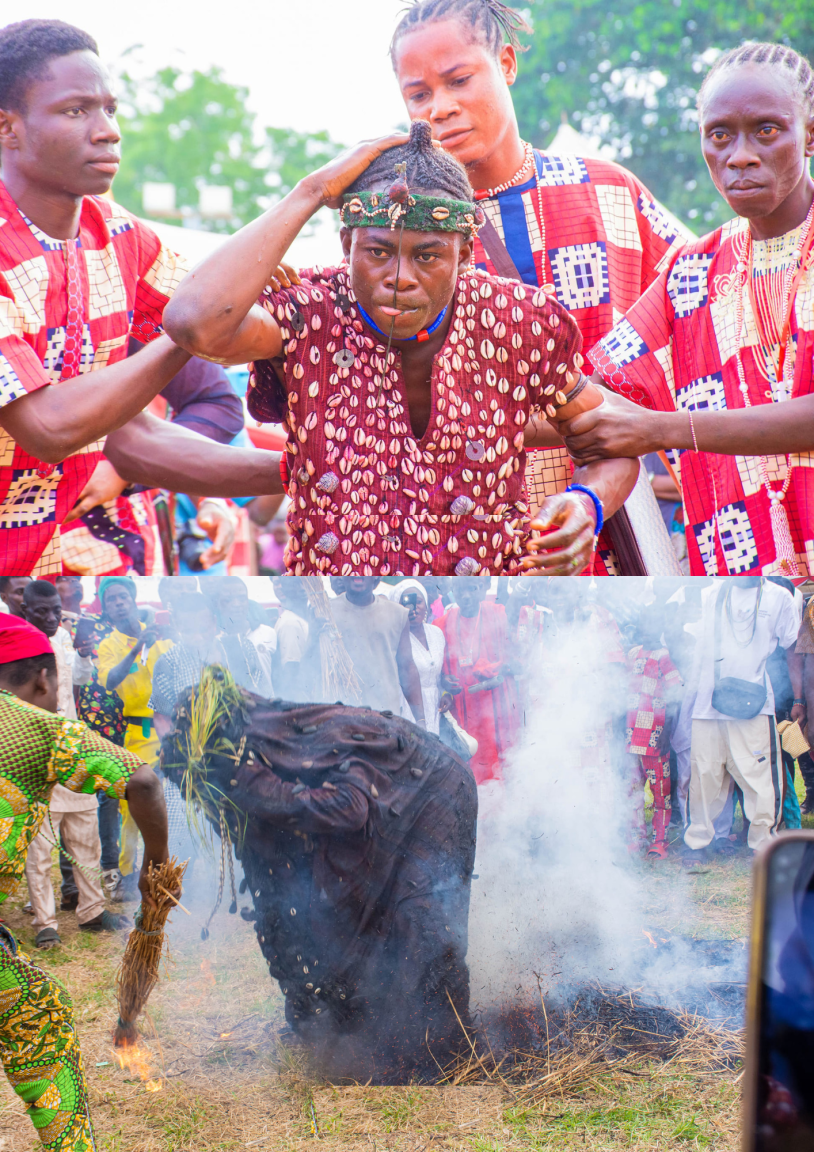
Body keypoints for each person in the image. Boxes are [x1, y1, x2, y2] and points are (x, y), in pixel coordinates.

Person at [163, 120, 640, 578]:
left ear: (466, 253)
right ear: (346, 243)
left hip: (486, 636)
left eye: (428, 256)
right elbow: (194, 323)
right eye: (377, 252)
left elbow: (612, 445)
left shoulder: (519, 322)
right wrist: (312, 191)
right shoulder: (307, 316)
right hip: (340, 637)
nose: (399, 278)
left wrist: (587, 503)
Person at [388, 0, 690, 551]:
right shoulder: (407, 234)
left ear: (506, 63)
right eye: (419, 94)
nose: (441, 108)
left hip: (618, 513)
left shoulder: (607, 191)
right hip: (463, 530)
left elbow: (700, 320)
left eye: (459, 80)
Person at [0, 20, 289, 577]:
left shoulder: (120, 235)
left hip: (56, 583)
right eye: (75, 110)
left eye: (110, 109)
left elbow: (136, 436)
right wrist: (309, 192)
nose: (107, 131)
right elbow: (49, 428)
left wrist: (311, 468)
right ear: (7, 127)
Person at [557, 44, 814, 578]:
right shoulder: (691, 272)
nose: (740, 155)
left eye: (766, 130)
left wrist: (661, 429)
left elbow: (644, 426)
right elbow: (595, 392)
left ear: (809, 133)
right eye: (720, 135)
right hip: (744, 608)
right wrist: (464, 416)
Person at [162, 667, 477, 1083]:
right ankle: (375, 1023)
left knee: (422, 916)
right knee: (366, 912)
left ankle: (446, 1043)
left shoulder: (311, 733)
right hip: (395, 805)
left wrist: (246, 782)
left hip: (437, 790)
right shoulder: (263, 747)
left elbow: (348, 808)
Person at [0, 612, 172, 1150]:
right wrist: (156, 868)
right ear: (44, 681)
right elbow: (141, 781)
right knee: (40, 1018)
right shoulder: (37, 726)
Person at [19, 581, 124, 947]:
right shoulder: (14, 641)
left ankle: (92, 911)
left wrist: (81, 653)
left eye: (54, 611)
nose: (50, 618)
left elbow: (80, 680)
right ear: (24, 608)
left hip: (71, 746)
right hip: (35, 753)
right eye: (41, 612)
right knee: (40, 845)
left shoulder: (63, 636)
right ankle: (46, 923)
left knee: (86, 835)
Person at [684, 576, 802, 857]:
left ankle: (763, 845)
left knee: (761, 778)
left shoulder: (778, 596)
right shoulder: (710, 592)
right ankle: (698, 844)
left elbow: (792, 647)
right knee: (703, 774)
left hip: (755, 704)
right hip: (707, 702)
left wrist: (798, 698)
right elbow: (693, 645)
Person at [96, 576, 172, 893]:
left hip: (170, 730)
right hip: (138, 734)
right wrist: (137, 647)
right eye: (111, 598)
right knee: (133, 804)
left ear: (134, 599)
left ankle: (171, 867)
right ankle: (128, 874)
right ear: (105, 608)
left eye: (123, 596)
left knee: (174, 800)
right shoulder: (109, 645)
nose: (119, 602)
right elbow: (111, 680)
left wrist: (154, 640)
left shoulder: (162, 639)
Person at [437, 578, 519, 784]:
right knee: (470, 765)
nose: (466, 596)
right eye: (459, 590)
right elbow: (435, 671)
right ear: (452, 590)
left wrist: (494, 668)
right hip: (463, 709)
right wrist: (444, 682)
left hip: (496, 706)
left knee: (501, 762)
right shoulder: (441, 623)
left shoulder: (498, 614)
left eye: (472, 589)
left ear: (483, 589)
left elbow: (516, 656)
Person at [625, 607, 683, 859]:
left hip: (654, 735)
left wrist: (666, 732)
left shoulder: (664, 656)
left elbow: (676, 695)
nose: (647, 628)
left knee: (660, 791)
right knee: (633, 789)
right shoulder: (633, 653)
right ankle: (637, 836)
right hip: (631, 733)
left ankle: (660, 841)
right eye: (643, 622)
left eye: (653, 623)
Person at [328, 576, 426, 723]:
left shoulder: (398, 614)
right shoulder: (326, 611)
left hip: (385, 717)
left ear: (376, 576)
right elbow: (310, 665)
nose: (357, 574)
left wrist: (421, 720)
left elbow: (406, 668)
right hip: (340, 717)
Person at [388, 579, 455, 734]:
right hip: (408, 708)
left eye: (419, 602)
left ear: (426, 604)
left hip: (436, 709)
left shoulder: (436, 633)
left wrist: (446, 692)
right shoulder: (395, 637)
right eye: (406, 603)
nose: (414, 608)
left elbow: (442, 673)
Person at [208, 576, 275, 697]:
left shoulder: (268, 633)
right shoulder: (215, 643)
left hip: (269, 708)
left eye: (242, 598)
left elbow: (280, 676)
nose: (236, 604)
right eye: (228, 600)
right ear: (217, 604)